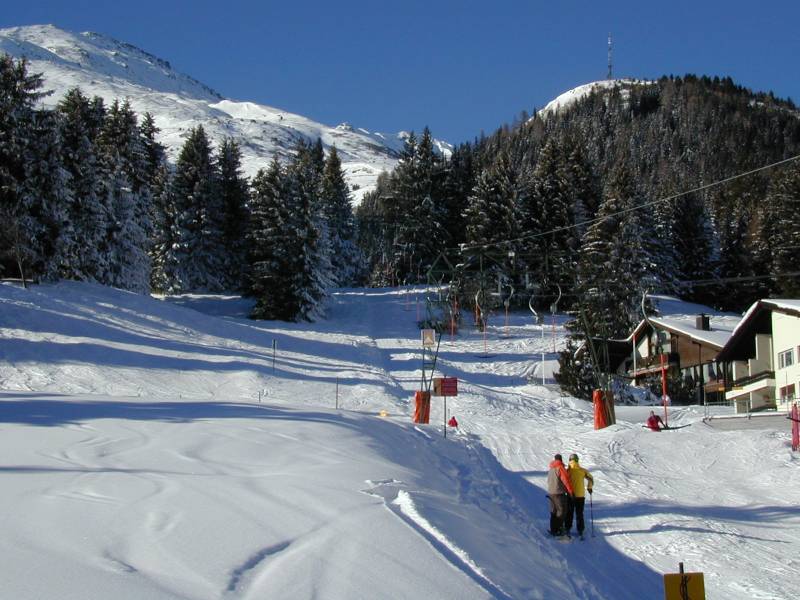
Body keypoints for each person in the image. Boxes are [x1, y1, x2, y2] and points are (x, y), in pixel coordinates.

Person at [565, 453, 594, 539]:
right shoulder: (582, 471)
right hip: (580, 495)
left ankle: (567, 528)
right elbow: (591, 478)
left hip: (570, 495)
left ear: (570, 460)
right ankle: (580, 530)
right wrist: (589, 487)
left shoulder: (567, 471)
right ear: (577, 460)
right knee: (579, 513)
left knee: (569, 513)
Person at [547, 453, 574, 536]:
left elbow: (548, 481)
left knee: (553, 511)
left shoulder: (551, 470)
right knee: (562, 511)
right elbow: (566, 480)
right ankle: (559, 529)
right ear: (561, 460)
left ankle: (553, 529)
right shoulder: (560, 468)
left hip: (551, 493)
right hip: (559, 493)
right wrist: (570, 492)